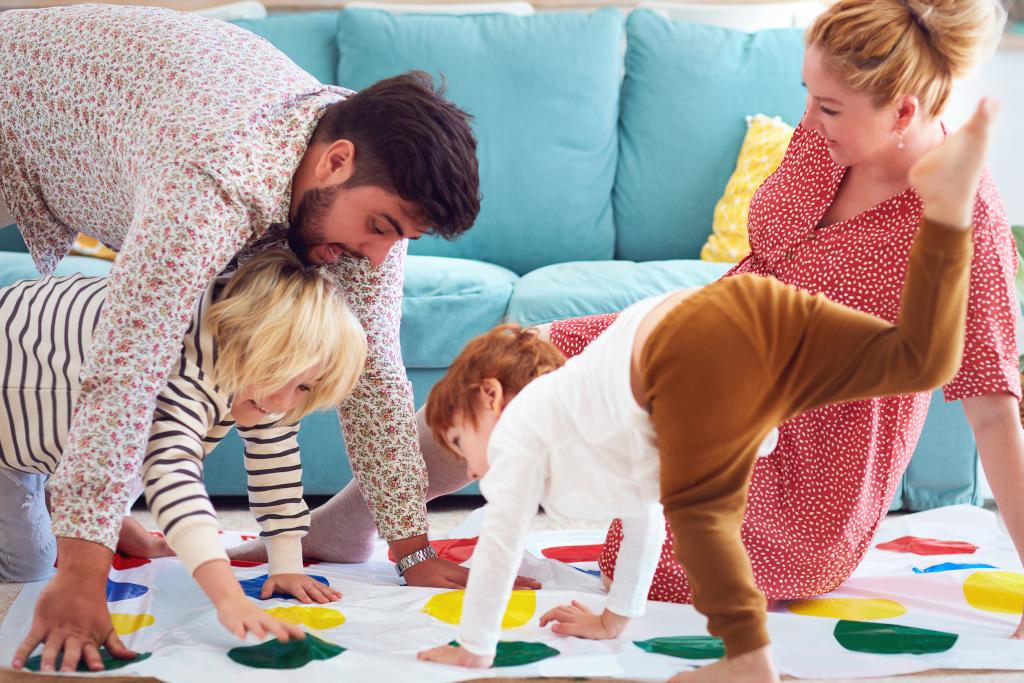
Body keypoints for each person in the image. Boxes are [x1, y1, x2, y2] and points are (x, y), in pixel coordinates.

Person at [416, 97, 999, 682]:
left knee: (700, 510)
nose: (472, 466)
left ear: (492, 398)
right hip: (752, 314)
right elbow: (645, 516)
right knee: (919, 363)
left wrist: (474, 648)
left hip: (705, 346)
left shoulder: (523, 428)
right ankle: (946, 219)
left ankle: (747, 660)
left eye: (463, 443)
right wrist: (616, 620)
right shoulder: (603, 440)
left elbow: (499, 545)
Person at [0, 4, 480, 672]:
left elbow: (374, 375)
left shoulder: (366, 201)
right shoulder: (210, 184)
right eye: (381, 225)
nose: (376, 255)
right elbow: (126, 366)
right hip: (16, 91)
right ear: (335, 161)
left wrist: (414, 550)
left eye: (398, 236)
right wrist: (83, 569)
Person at [547, 0, 1024, 638]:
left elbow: (993, 410)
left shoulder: (966, 220)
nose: (810, 117)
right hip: (708, 342)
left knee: (652, 561)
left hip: (811, 469)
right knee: (525, 357)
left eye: (828, 107)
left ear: (903, 111)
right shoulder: (826, 134)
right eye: (810, 95)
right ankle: (401, 537)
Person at [1, 249, 366, 643]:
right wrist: (228, 597)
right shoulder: (181, 365)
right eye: (284, 378)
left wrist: (286, 564)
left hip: (74, 429)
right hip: (12, 431)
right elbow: (172, 474)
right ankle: (61, 494)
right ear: (249, 343)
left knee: (145, 440)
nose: (285, 401)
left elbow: (274, 459)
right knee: (28, 567)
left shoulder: (261, 374)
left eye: (303, 387)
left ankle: (77, 499)